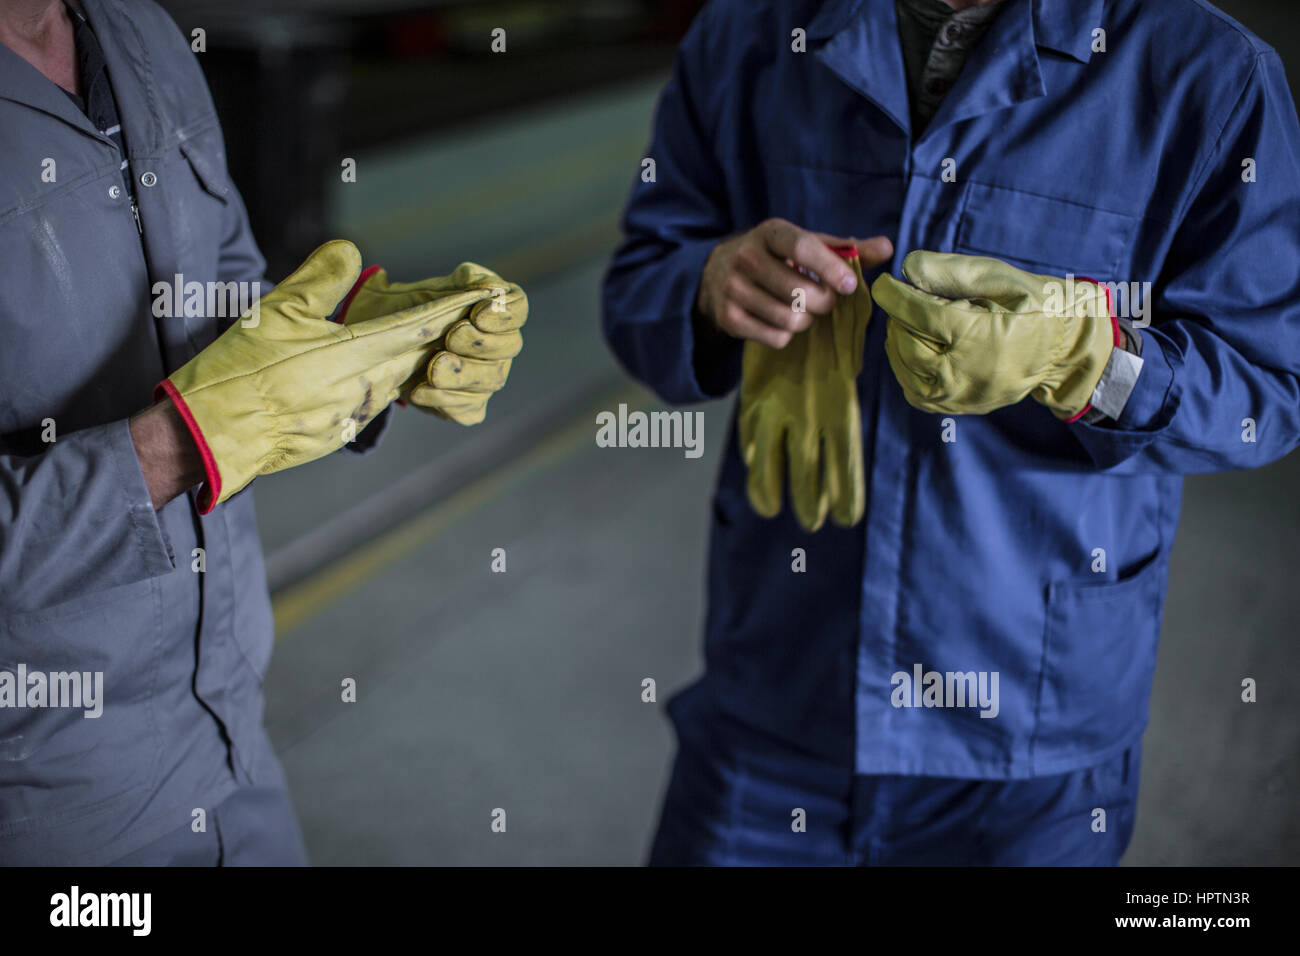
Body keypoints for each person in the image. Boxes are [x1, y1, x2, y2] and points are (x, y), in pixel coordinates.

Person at [602, 0, 1300, 865]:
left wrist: (1089, 363)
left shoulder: (1207, 73)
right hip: (780, 695)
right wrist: (708, 286)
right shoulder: (747, 33)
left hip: (1028, 744)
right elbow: (637, 287)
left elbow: (1267, 386)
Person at [0, 0, 525, 865]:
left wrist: (367, 349)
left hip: (230, 743)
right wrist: (179, 444)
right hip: (55, 815)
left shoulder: (143, 33)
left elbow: (224, 287)